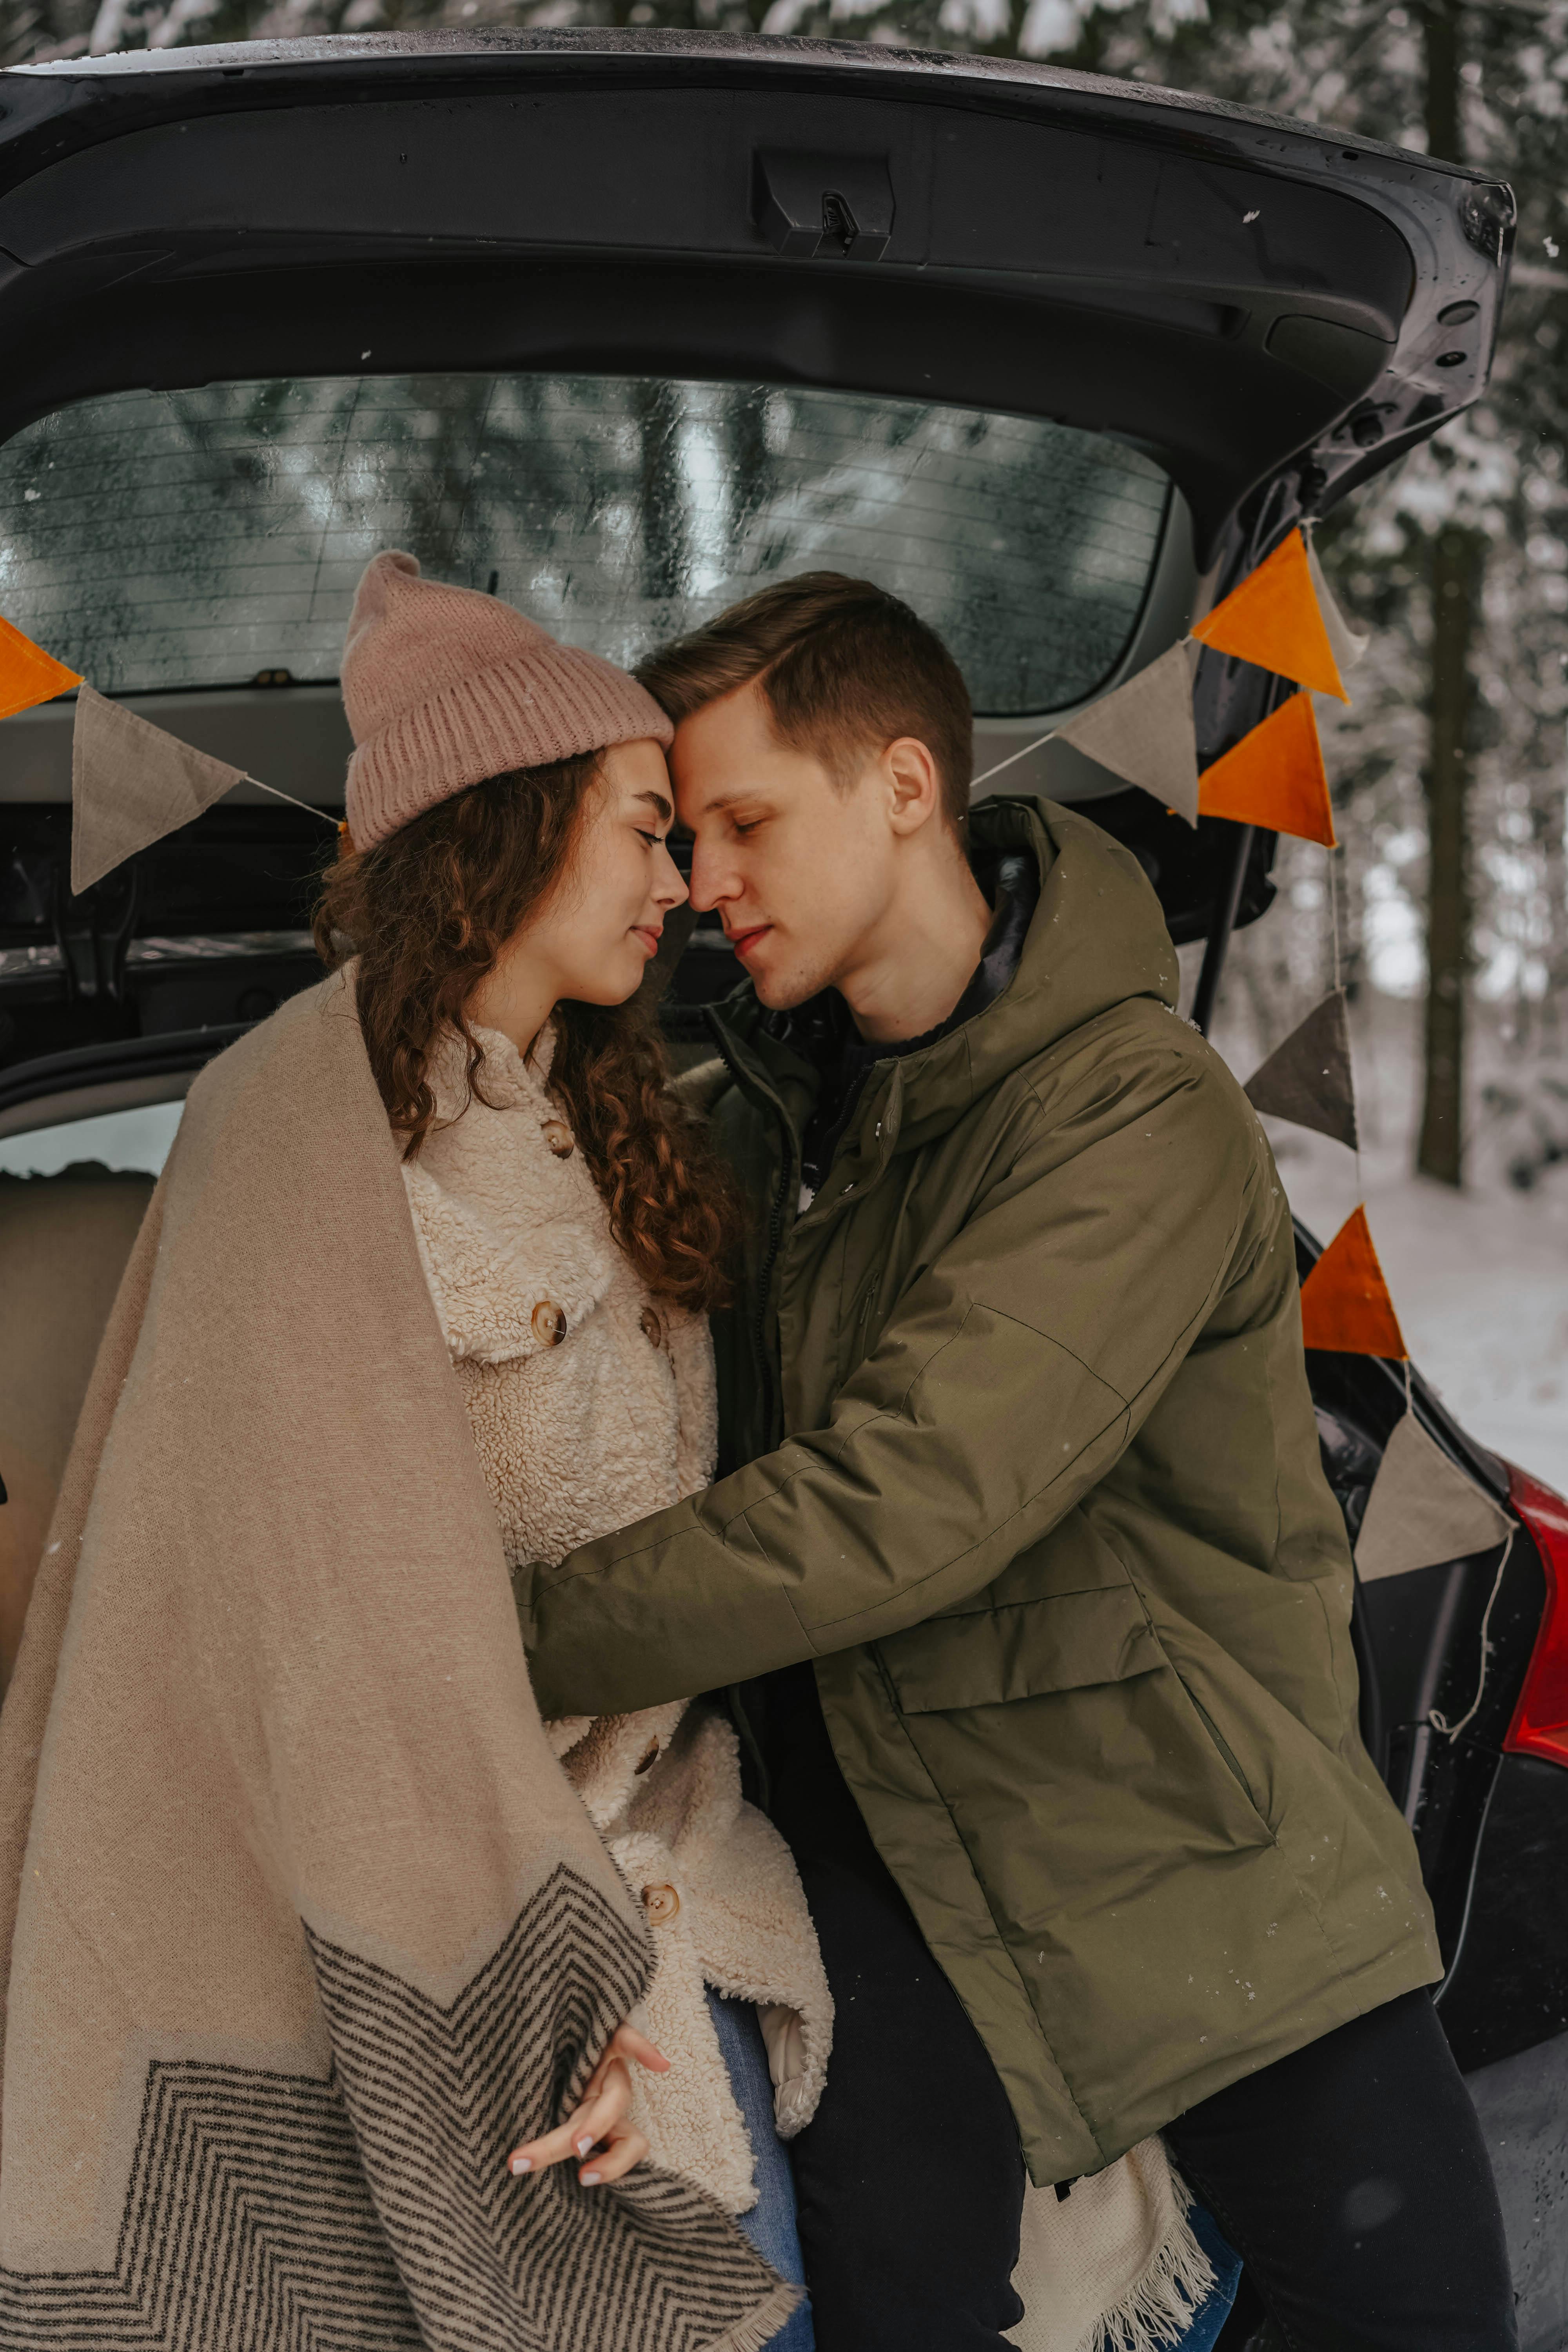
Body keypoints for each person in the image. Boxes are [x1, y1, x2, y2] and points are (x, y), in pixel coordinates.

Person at [517, 573, 1520, 2352]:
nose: (705, 885)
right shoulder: (762, 1127)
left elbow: (905, 1503)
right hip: (886, 1863)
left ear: (906, 787)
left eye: (745, 822)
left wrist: (491, 1633)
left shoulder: (1130, 1110)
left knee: (1409, 2322)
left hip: (1189, 1858)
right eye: (686, 836)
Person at [0, 556, 821, 2352]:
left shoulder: (614, 1141)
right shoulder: (292, 1142)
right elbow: (335, 1649)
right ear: (508, 829)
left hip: (659, 1857)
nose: (680, 882)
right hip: (421, 1886)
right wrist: (550, 1979)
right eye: (639, 829)